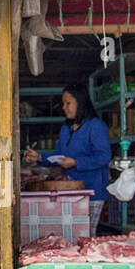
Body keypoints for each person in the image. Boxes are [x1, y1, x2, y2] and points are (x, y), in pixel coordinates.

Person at [22, 84, 112, 234]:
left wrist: (76, 162)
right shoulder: (66, 129)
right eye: (63, 103)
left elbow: (104, 157)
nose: (64, 107)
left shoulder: (95, 126)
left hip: (92, 192)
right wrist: (39, 157)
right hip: (69, 192)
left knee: (86, 235)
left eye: (68, 103)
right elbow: (58, 156)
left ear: (80, 102)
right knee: (70, 235)